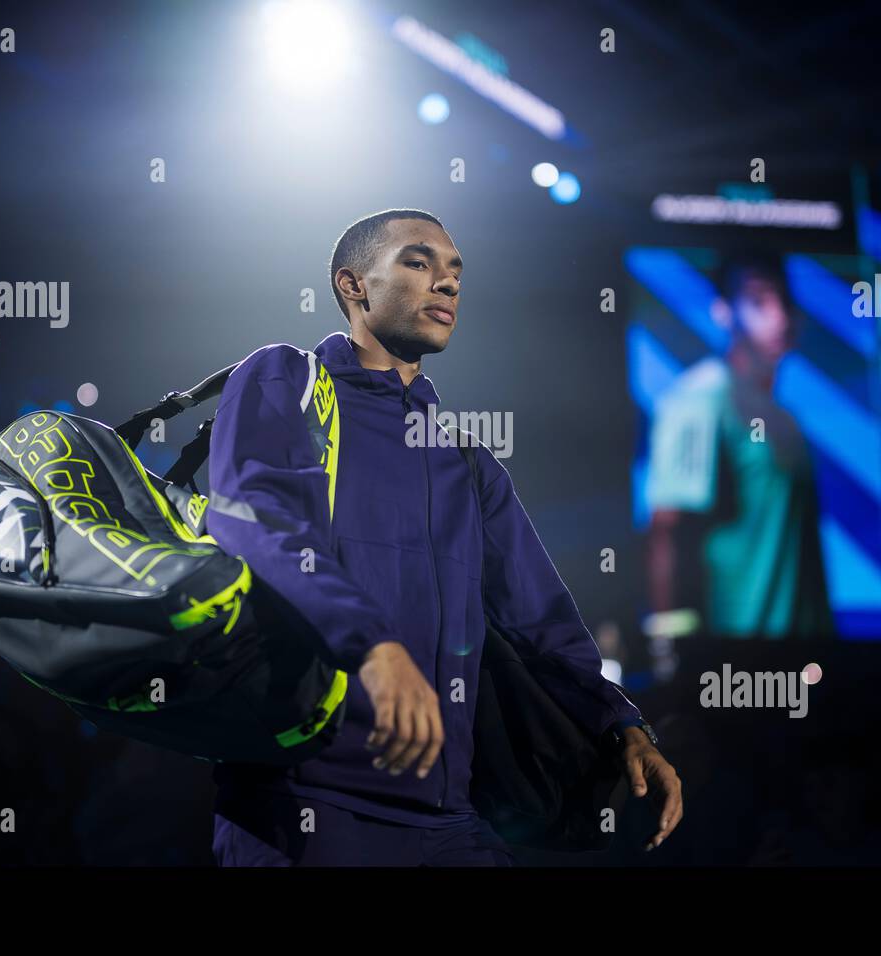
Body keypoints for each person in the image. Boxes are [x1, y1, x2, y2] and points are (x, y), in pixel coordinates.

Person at [206, 209, 682, 865]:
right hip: (303, 801)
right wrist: (372, 646)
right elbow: (257, 521)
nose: (448, 283)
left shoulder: (466, 461)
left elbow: (540, 619)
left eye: (455, 271)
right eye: (418, 262)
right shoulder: (285, 380)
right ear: (354, 286)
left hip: (449, 816)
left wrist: (623, 724)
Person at [645, 252, 833, 639]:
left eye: (784, 300)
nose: (778, 317)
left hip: (803, 660)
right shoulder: (702, 396)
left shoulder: (785, 417)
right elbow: (669, 529)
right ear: (724, 311)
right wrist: (676, 656)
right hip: (734, 662)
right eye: (758, 301)